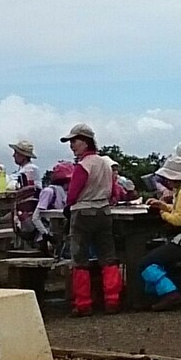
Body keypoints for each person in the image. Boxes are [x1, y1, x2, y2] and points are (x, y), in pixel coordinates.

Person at [62, 123, 123, 316]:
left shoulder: (83, 166)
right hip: (103, 212)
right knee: (108, 257)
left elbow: (73, 193)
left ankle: (83, 304)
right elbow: (113, 191)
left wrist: (68, 206)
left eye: (75, 141)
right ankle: (112, 300)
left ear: (86, 142)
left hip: (83, 213)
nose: (72, 145)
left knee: (80, 259)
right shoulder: (105, 164)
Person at [138, 155, 181, 311]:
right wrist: (162, 205)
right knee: (157, 257)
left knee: (146, 263)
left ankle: (170, 294)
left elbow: (177, 220)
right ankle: (163, 293)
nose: (166, 181)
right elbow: (180, 210)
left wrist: (161, 213)